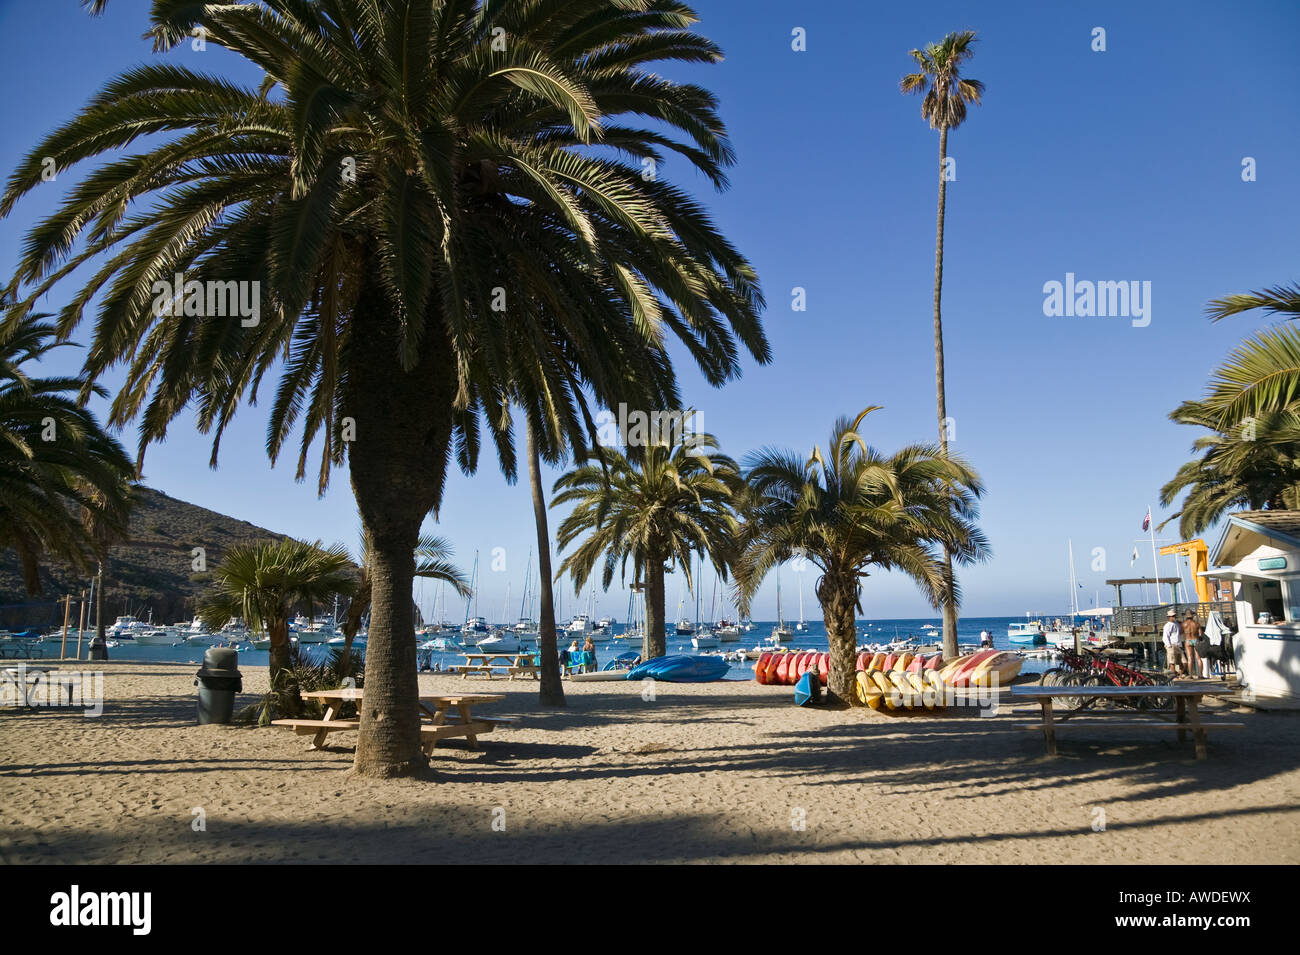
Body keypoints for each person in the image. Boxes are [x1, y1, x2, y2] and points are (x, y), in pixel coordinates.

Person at [1183, 611, 1205, 679]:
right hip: (1196, 640)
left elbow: (1180, 632)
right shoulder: (1196, 624)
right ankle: (1200, 675)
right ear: (1192, 616)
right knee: (1198, 658)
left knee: (1190, 658)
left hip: (1188, 640)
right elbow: (1200, 634)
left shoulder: (1184, 624)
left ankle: (1190, 675)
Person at [1161, 608, 1184, 675]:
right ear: (1169, 617)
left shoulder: (1177, 624)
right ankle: (1173, 675)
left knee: (1183, 662)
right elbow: (1165, 636)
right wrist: (1169, 645)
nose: (1174, 617)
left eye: (1174, 616)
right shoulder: (1167, 625)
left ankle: (1179, 675)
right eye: (1172, 616)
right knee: (1172, 662)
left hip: (1178, 644)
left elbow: (1180, 632)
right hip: (1171, 644)